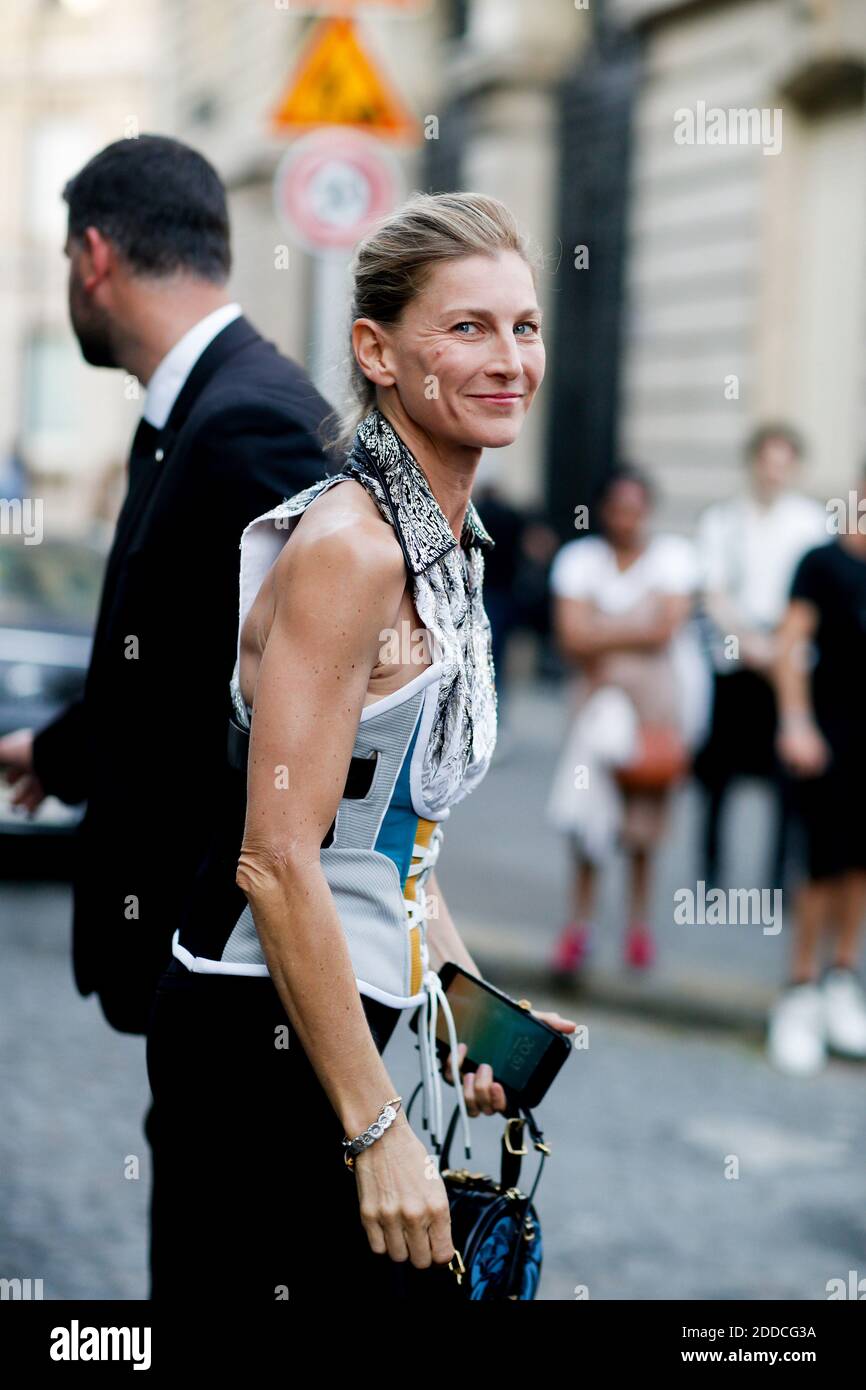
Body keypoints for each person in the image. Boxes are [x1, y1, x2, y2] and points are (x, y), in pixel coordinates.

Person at [145, 191, 577, 1301]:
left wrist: (472, 1011)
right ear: (376, 351)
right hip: (255, 1029)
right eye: (466, 327)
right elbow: (278, 860)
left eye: (521, 326)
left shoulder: (441, 544)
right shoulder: (352, 549)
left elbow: (391, 842)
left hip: (336, 1019)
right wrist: (376, 1127)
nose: (507, 359)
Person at [0, 134, 336, 1035]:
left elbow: (294, 701)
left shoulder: (248, 420)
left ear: (95, 256)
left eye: (72, 258)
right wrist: (58, 752)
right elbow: (178, 659)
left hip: (221, 960)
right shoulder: (208, 404)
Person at [546, 466, 705, 976]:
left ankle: (637, 928)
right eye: (618, 507)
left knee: (644, 824)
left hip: (652, 706)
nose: (627, 518)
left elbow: (664, 629)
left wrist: (600, 629)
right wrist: (635, 626)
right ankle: (580, 928)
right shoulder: (579, 560)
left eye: (636, 507)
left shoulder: (673, 559)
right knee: (588, 822)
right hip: (595, 706)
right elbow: (571, 638)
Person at [693, 424, 827, 889]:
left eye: (783, 463)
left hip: (788, 659)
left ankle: (778, 878)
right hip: (737, 659)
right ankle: (711, 874)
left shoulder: (809, 524)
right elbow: (712, 592)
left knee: (787, 778)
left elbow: (811, 600)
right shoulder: (723, 520)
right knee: (719, 775)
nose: (774, 473)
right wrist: (751, 643)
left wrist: (781, 651)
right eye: (767, 462)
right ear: (753, 463)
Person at [769, 467, 866, 1076]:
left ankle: (842, 979)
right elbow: (789, 646)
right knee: (822, 863)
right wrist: (796, 722)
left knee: (860, 863)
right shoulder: (822, 562)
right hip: (827, 735)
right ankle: (800, 990)